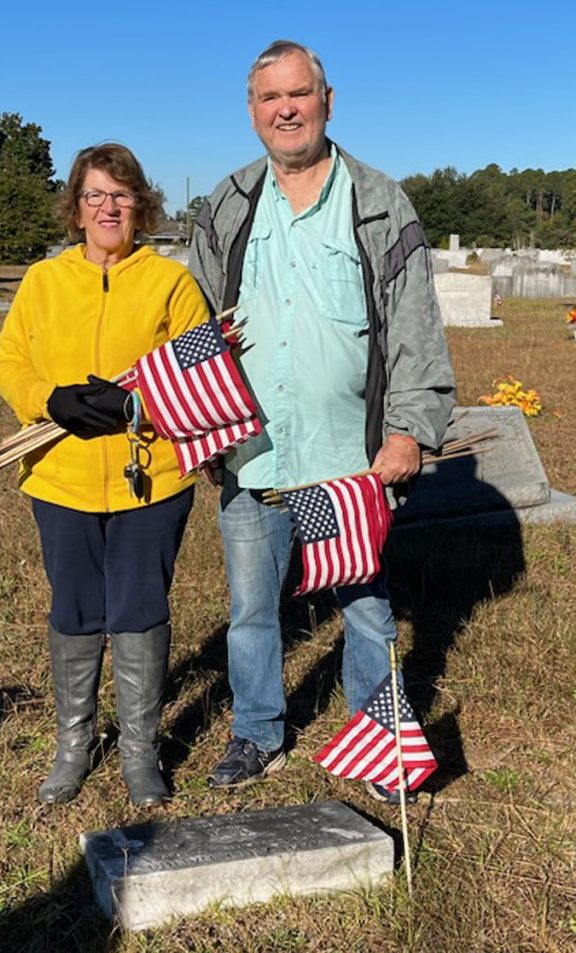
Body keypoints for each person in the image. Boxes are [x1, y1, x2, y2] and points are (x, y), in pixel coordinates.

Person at [189, 40, 456, 802]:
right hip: (257, 455)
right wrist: (201, 426)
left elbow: (414, 325)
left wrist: (408, 426)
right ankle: (258, 732)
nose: (286, 110)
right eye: (270, 99)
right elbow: (196, 324)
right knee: (250, 610)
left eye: (299, 94)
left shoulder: (376, 199)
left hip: (350, 461)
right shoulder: (229, 203)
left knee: (366, 610)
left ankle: (377, 741)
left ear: (327, 100)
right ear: (252, 112)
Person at [0, 143, 209, 807]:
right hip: (61, 475)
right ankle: (74, 743)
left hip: (153, 474)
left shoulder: (170, 282)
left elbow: (204, 375)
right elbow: (9, 362)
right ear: (76, 209)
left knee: (140, 605)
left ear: (141, 206)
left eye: (120, 195)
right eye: (94, 195)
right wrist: (47, 399)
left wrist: (141, 404)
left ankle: (141, 751)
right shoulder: (43, 281)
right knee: (77, 605)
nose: (107, 207)